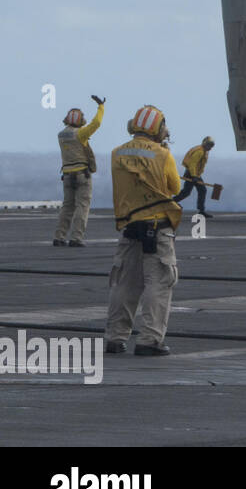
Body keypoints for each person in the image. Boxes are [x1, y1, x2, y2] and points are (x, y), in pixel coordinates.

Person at [106, 105, 182, 356]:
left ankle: (115, 338)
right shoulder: (162, 155)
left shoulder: (117, 153)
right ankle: (149, 340)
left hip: (129, 228)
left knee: (124, 284)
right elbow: (174, 188)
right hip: (157, 230)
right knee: (158, 283)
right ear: (157, 128)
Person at [54, 95, 105, 247]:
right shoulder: (81, 134)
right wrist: (101, 107)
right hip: (82, 175)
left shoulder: (61, 135)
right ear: (80, 121)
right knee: (82, 207)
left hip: (67, 175)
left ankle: (59, 237)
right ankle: (76, 238)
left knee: (67, 207)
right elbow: (96, 123)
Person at [173, 136, 215, 218]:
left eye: (211, 146)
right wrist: (194, 176)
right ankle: (201, 210)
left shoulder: (203, 150)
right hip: (192, 174)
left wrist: (195, 175)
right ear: (204, 144)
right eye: (209, 145)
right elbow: (192, 164)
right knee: (199, 190)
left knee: (188, 192)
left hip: (194, 174)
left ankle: (172, 202)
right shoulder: (199, 151)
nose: (210, 148)